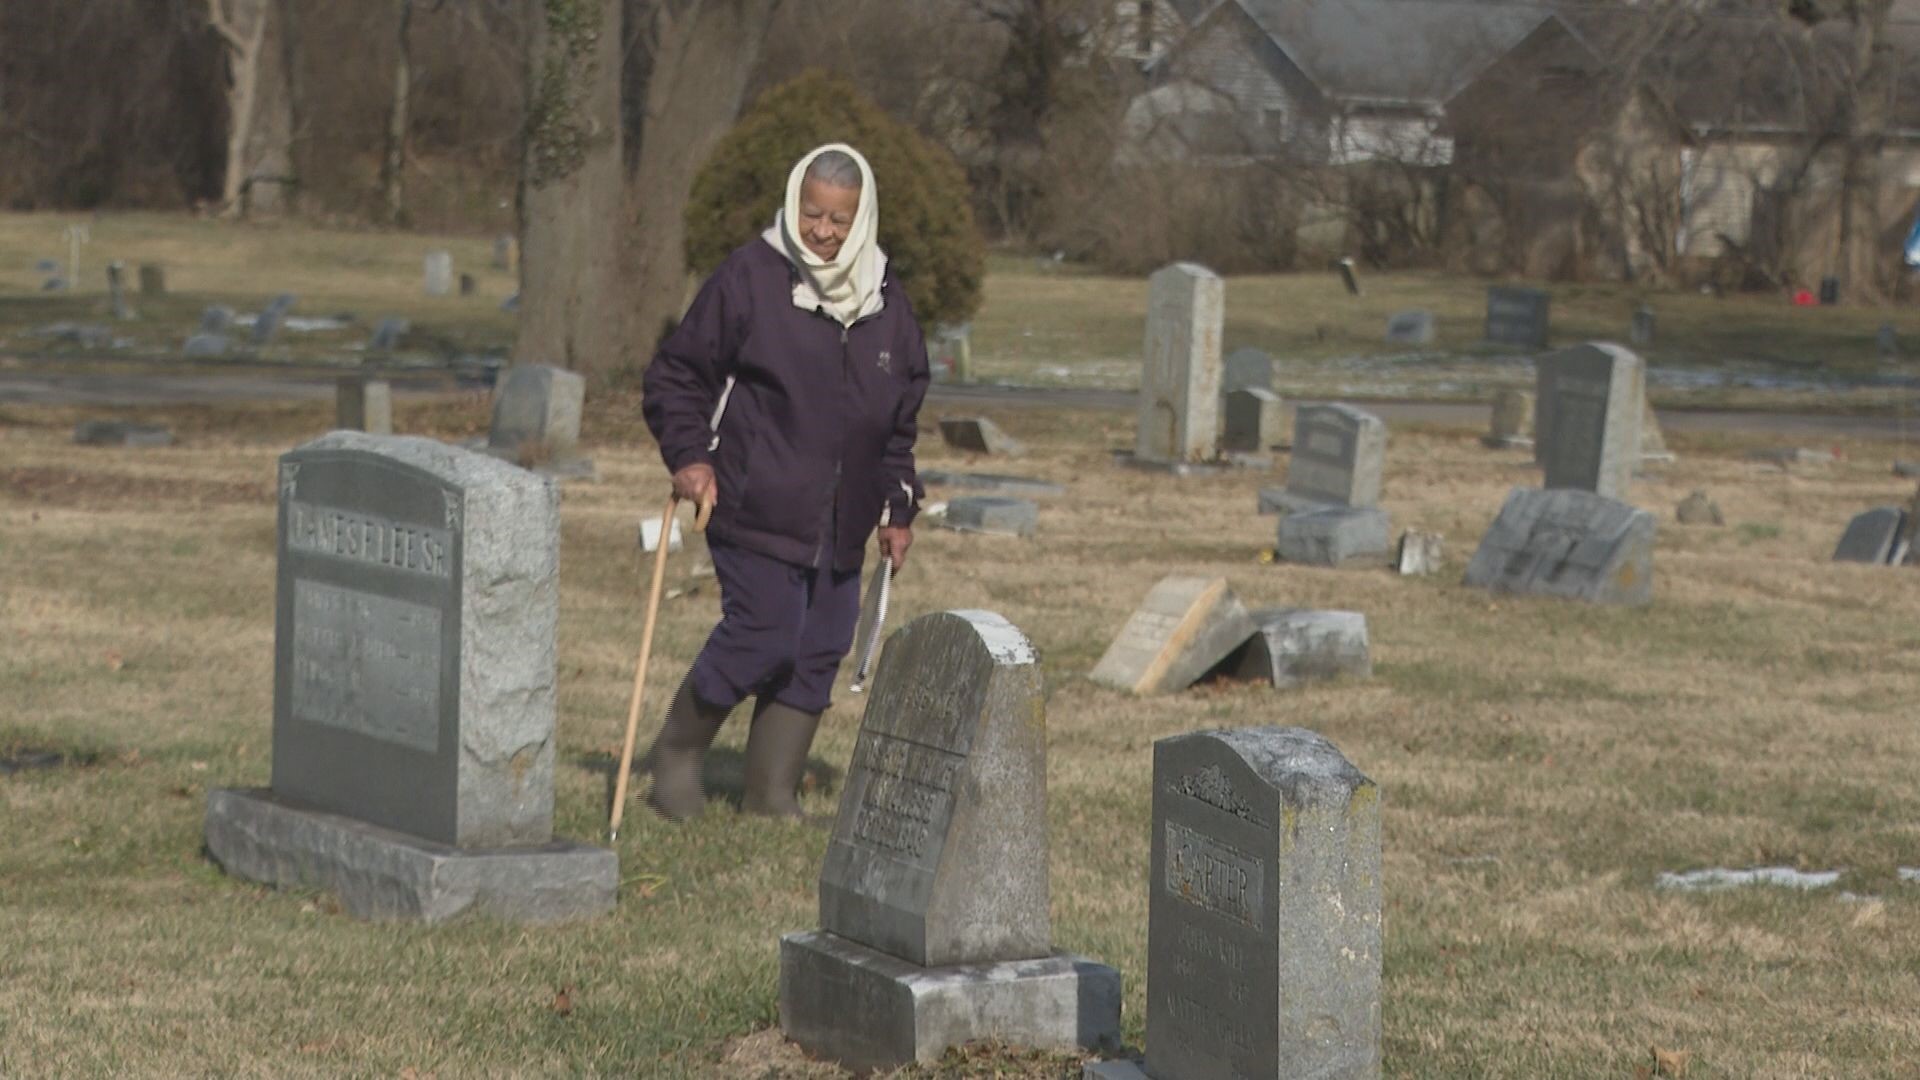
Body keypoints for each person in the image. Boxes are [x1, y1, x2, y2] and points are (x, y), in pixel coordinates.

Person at [638, 143, 929, 820]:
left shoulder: (887, 297)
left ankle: (769, 794)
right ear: (794, 202)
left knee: (820, 646)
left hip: (842, 519)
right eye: (812, 213)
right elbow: (677, 375)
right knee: (764, 632)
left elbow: (898, 418)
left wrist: (898, 507)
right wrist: (689, 456)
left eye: (839, 219)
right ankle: (675, 758)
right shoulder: (750, 277)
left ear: (862, 219)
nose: (823, 232)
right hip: (749, 498)